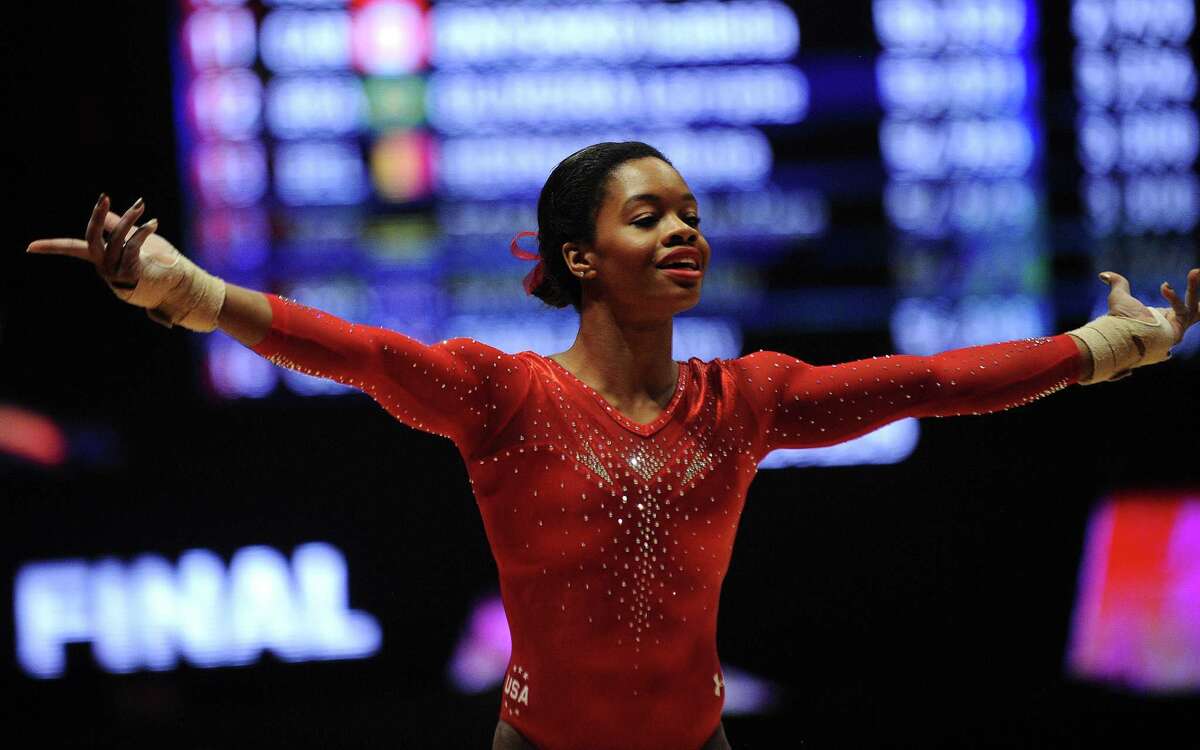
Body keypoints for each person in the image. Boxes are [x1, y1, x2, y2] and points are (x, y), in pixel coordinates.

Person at [27, 141, 1199, 750]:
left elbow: (932, 382)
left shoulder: (749, 400)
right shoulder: (502, 399)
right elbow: (358, 352)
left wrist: (1101, 347)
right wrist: (189, 294)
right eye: (648, 214)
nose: (684, 228)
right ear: (580, 259)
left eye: (691, 211)